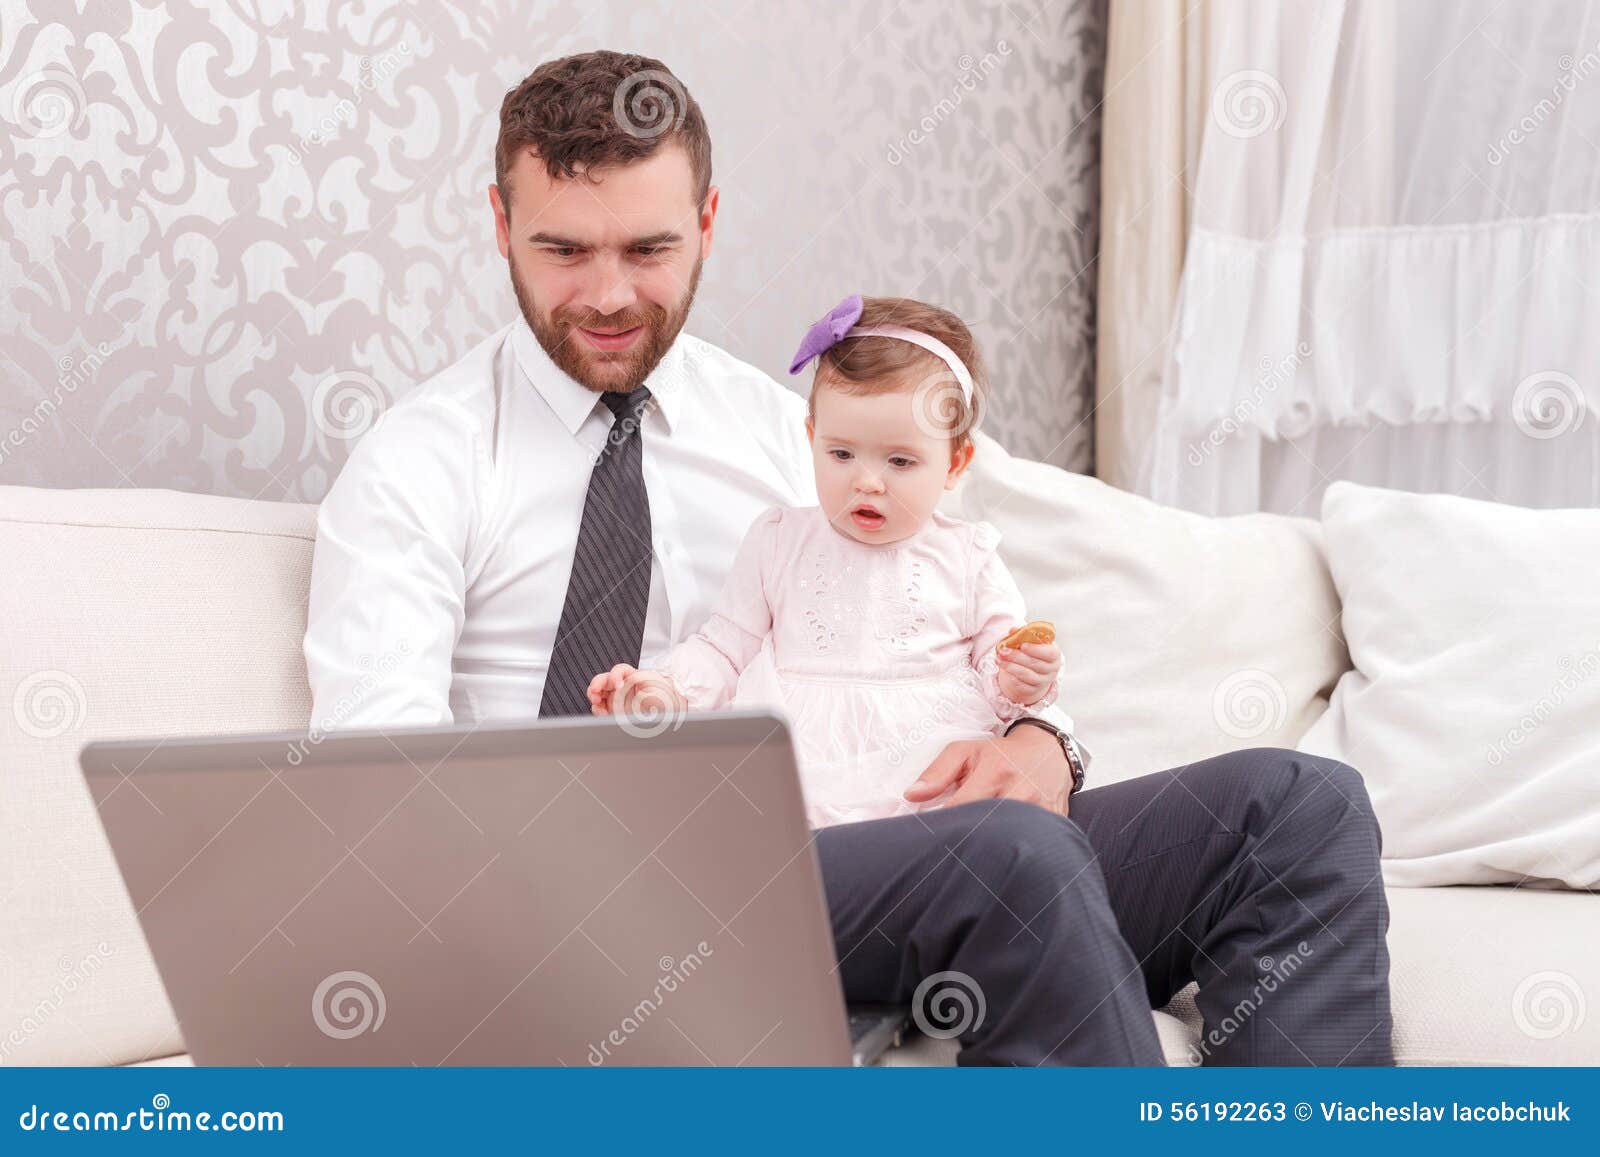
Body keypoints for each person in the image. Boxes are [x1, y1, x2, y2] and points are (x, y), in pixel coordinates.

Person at [304, 49, 1395, 1065]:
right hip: (610, 904)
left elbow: (934, 626)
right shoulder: (420, 464)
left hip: (863, 843)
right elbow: (381, 796)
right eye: (562, 249)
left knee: (1298, 803)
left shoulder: (788, 434)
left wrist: (1038, 742)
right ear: (500, 225)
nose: (605, 294)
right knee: (1017, 863)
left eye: (647, 248)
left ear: (709, 222)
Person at [588, 293, 1065, 829]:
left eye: (901, 460)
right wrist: (667, 689)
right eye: (841, 454)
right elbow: (725, 649)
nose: (867, 480)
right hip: (800, 765)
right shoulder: (778, 539)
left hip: (926, 766)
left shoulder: (968, 557)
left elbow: (996, 674)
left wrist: (1022, 678)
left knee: (962, 837)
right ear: (812, 438)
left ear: (955, 464)